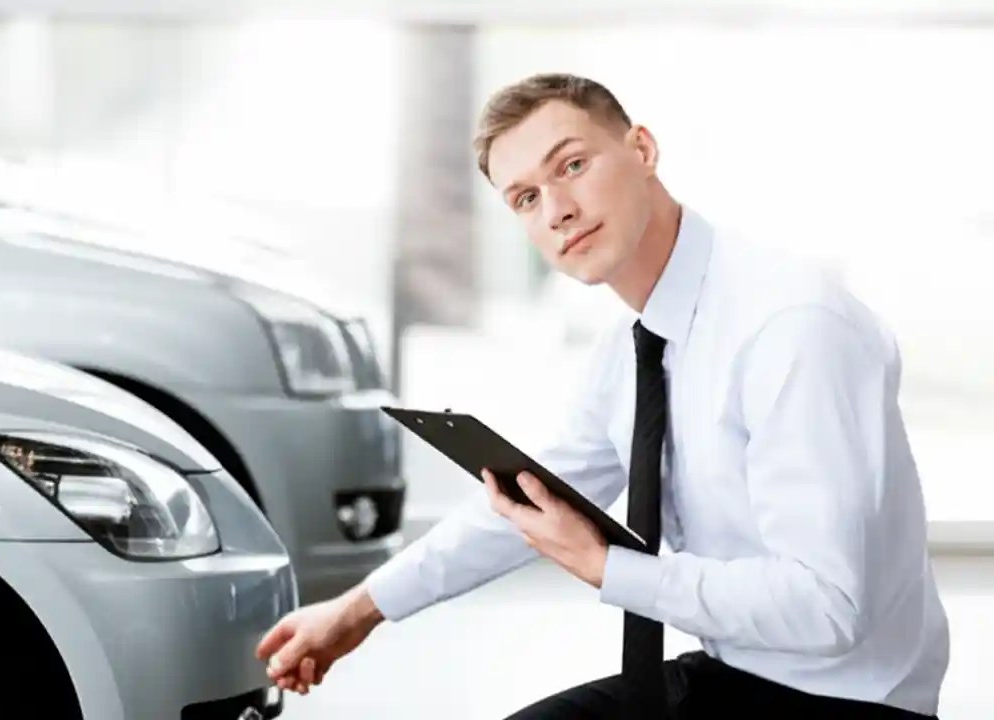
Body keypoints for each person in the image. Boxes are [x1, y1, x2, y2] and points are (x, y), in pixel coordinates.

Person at [255, 73, 950, 718]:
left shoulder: (790, 328)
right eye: (525, 197)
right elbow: (529, 500)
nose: (557, 209)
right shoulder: (635, 346)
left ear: (642, 149)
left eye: (572, 165)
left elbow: (827, 609)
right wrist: (354, 612)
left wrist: (604, 567)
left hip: (849, 703)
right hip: (735, 671)